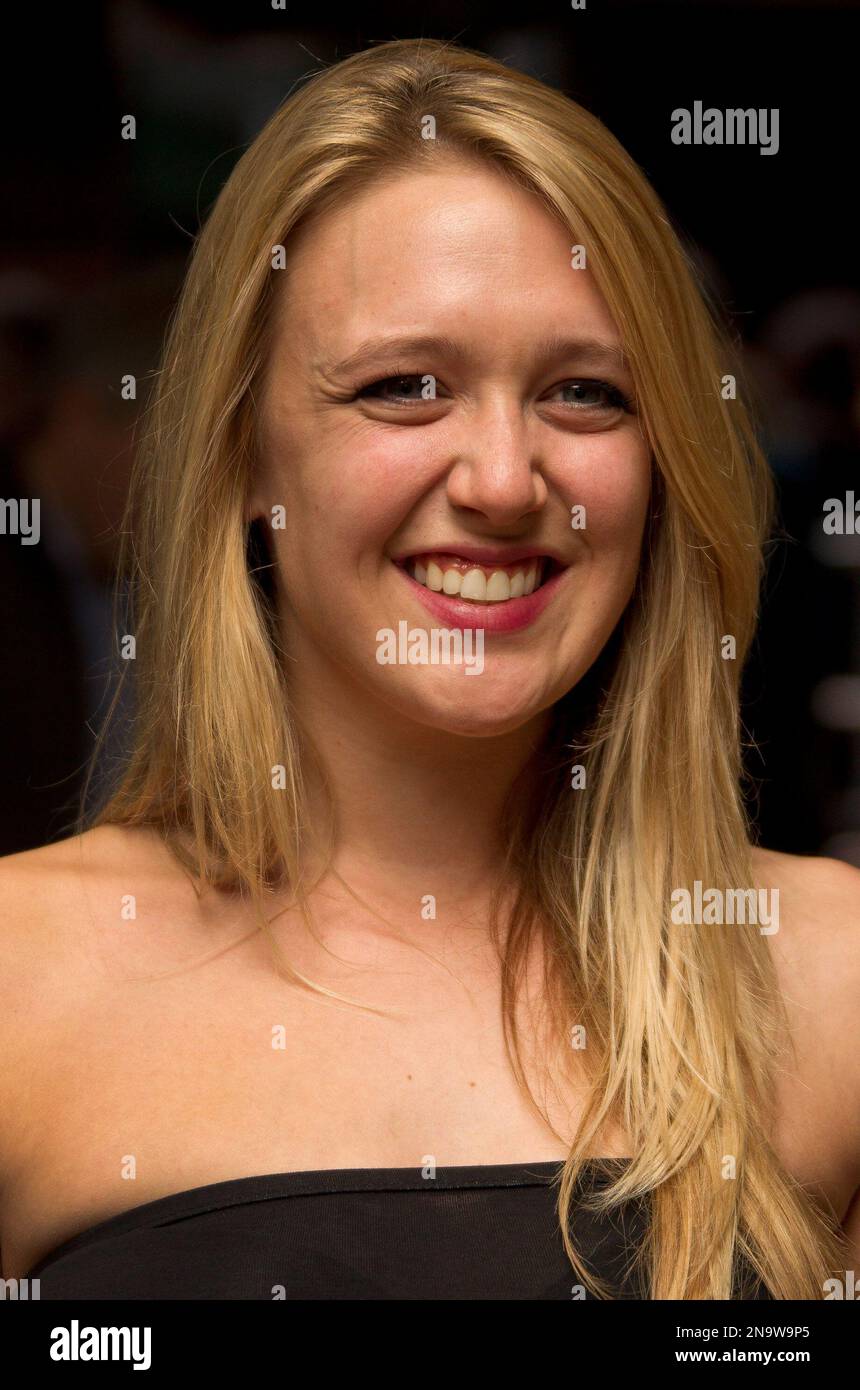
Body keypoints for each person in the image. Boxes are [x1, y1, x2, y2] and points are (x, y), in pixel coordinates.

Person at [0, 37, 857, 1301]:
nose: (505, 482)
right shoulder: (24, 978)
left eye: (583, 393)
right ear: (242, 456)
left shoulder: (825, 976)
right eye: (405, 387)